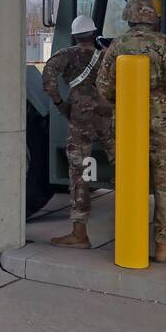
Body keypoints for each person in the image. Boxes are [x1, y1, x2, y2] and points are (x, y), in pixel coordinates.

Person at [97, 0, 166, 262]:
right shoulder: (163, 43)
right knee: (163, 182)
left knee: (127, 181)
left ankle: (129, 241)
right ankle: (162, 246)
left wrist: (125, 95)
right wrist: (159, 92)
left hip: (127, 120)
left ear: (129, 15)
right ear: (151, 17)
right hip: (159, 120)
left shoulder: (118, 44)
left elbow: (103, 86)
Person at [41, 15, 113, 247]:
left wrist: (61, 105)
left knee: (79, 172)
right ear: (94, 34)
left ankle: (79, 233)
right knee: (123, 165)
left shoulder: (66, 55)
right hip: (106, 114)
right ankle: (133, 224)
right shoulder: (107, 56)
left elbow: (48, 79)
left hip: (80, 117)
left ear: (74, 35)